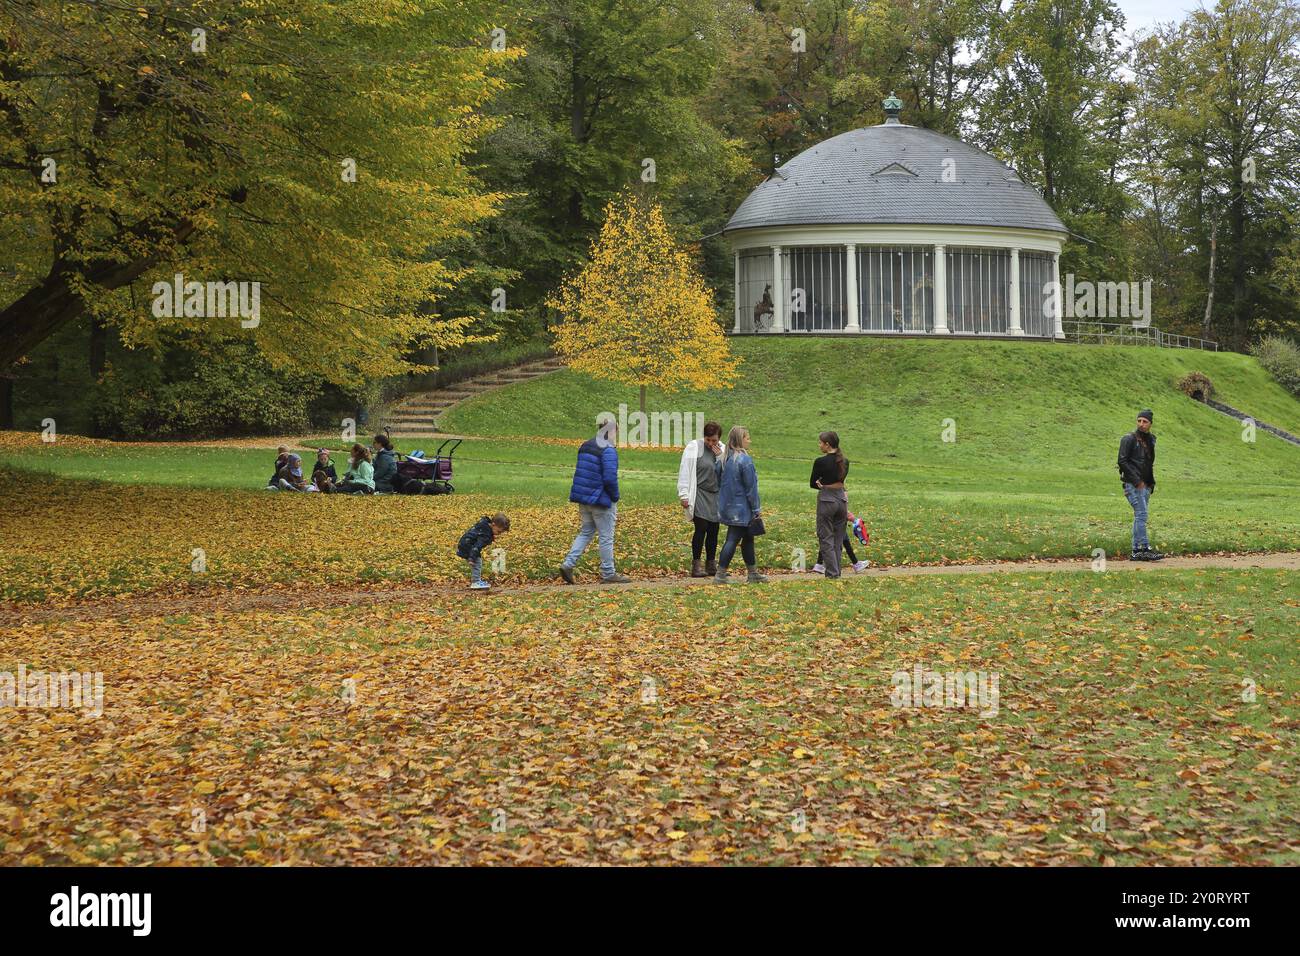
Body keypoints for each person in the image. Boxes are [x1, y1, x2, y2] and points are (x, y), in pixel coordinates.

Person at [559, 417, 630, 584]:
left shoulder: (585, 445)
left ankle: (568, 564)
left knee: (586, 532)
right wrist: (615, 496)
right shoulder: (608, 450)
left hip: (584, 498)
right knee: (606, 537)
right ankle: (608, 573)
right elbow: (610, 478)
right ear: (611, 431)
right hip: (600, 499)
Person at [714, 425, 767, 583]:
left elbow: (718, 481)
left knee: (748, 538)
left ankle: (753, 572)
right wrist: (756, 508)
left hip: (728, 506)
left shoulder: (724, 459)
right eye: (747, 437)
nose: (749, 440)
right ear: (740, 440)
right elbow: (751, 487)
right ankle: (720, 574)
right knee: (733, 538)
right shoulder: (744, 460)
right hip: (742, 508)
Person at [678, 420, 723, 577]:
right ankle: (696, 565)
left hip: (715, 495)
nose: (711, 443)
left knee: (714, 530)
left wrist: (720, 457)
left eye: (714, 440)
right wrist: (683, 494)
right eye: (708, 439)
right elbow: (684, 470)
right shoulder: (694, 447)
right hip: (700, 493)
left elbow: (724, 473)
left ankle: (711, 564)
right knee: (701, 527)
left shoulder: (721, 450)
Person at [1117, 409, 1164, 561]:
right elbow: (1122, 461)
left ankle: (1136, 551)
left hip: (1145, 486)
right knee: (1142, 515)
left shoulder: (1151, 440)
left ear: (1150, 424)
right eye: (1139, 421)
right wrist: (1137, 482)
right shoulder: (1128, 439)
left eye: (1145, 421)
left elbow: (1148, 464)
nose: (1141, 424)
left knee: (1139, 517)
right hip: (1133, 484)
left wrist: (1150, 484)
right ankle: (1144, 548)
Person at [810, 431, 850, 578]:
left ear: (827, 445)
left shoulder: (820, 462)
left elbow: (813, 483)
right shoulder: (845, 461)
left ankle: (832, 573)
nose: (819, 445)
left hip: (827, 500)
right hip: (841, 500)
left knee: (825, 536)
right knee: (838, 538)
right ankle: (836, 571)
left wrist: (821, 485)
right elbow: (841, 481)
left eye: (820, 442)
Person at [457, 512, 511, 590]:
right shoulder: (485, 535)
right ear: (493, 524)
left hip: (465, 543)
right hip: (468, 546)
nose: (499, 534)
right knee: (477, 562)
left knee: (477, 561)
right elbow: (477, 546)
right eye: (499, 531)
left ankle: (476, 580)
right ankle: (476, 582)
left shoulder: (484, 525)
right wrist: (471, 558)